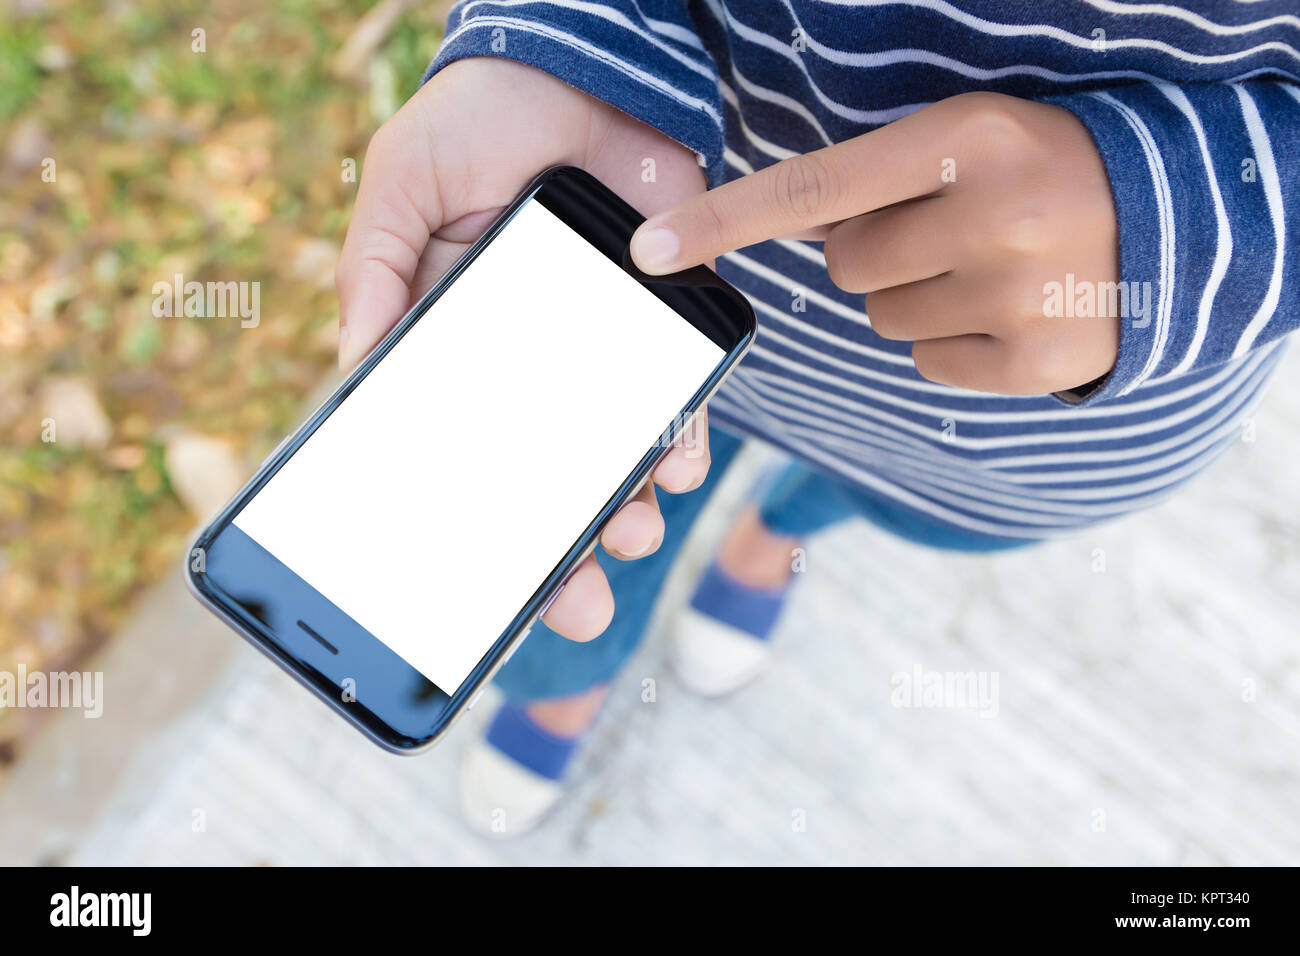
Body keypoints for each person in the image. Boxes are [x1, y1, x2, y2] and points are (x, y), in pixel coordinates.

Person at [334, 2, 1299, 833]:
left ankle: (773, 536)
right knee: (593, 530)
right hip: (669, 267)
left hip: (1031, 431)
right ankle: (559, 686)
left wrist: (1175, 216)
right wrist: (556, 37)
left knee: (856, 503)